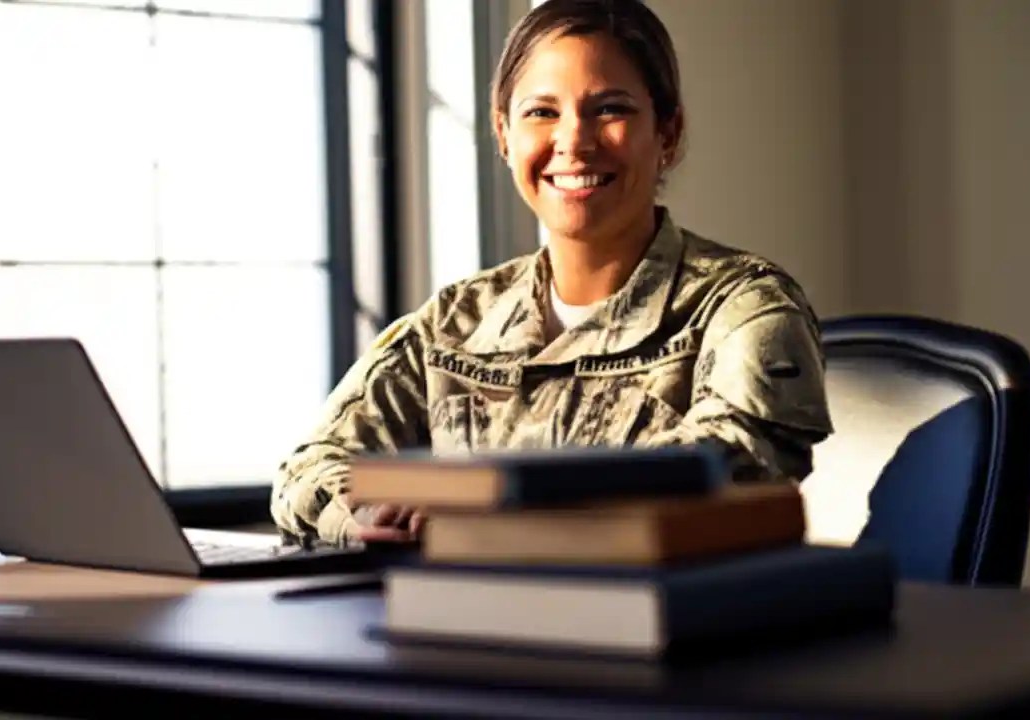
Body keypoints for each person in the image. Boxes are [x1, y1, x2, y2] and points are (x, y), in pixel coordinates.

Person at [271, 0, 833, 547]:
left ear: (668, 133)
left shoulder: (746, 306)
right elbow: (308, 470)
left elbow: (728, 466)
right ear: (503, 135)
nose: (574, 142)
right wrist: (370, 512)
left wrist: (488, 503)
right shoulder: (453, 323)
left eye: (610, 109)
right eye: (541, 112)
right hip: (458, 623)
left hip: (660, 625)